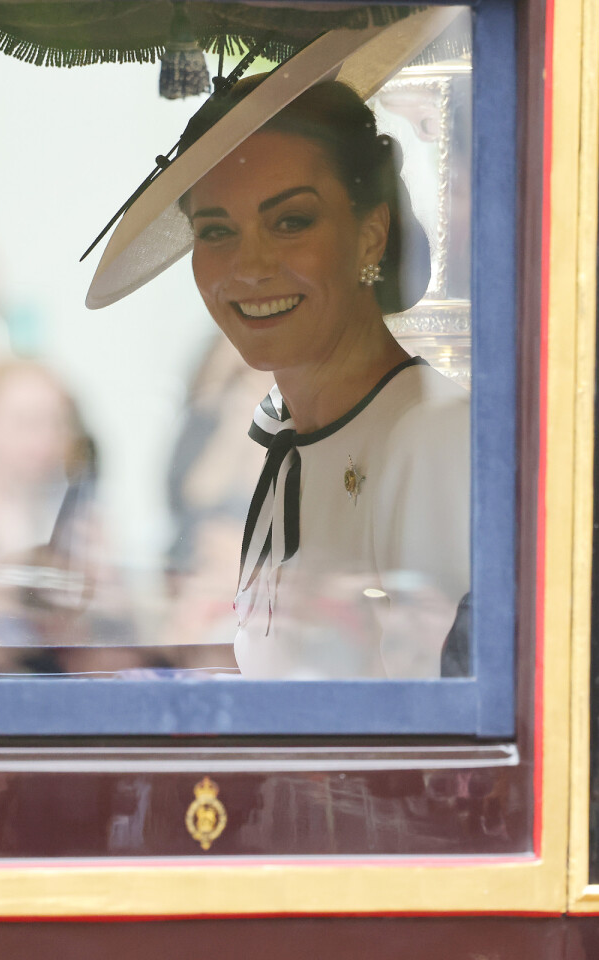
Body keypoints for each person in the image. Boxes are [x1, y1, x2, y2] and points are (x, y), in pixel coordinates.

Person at [83, 12, 470, 679]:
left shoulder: (429, 434)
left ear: (370, 235)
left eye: (291, 222)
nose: (249, 267)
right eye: (216, 232)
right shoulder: (283, 437)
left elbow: (437, 727)